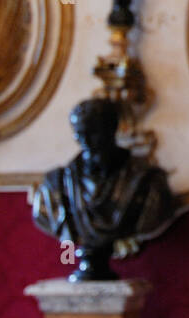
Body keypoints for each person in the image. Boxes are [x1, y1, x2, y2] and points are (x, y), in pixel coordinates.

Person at [30, 98, 177, 282]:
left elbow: (153, 217)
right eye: (79, 133)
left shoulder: (147, 182)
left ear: (111, 130)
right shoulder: (55, 185)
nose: (85, 141)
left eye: (93, 133)